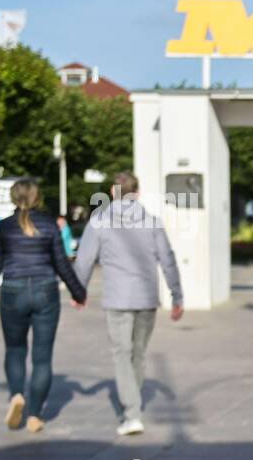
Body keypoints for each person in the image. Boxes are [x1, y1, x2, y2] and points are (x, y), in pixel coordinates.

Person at [74, 172, 183, 436]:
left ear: (113, 192)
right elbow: (167, 259)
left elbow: (84, 260)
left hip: (118, 297)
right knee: (138, 353)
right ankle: (133, 407)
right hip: (146, 298)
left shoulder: (99, 221)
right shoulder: (152, 222)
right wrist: (176, 295)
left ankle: (132, 413)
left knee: (121, 353)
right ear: (138, 193)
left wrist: (79, 291)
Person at [0, 178, 87, 433]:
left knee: (15, 350)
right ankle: (35, 415)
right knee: (42, 357)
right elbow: (62, 264)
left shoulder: (3, 228)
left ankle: (17, 394)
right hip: (45, 292)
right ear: (38, 197)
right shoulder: (50, 226)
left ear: (13, 197)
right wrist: (78, 293)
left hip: (13, 292)